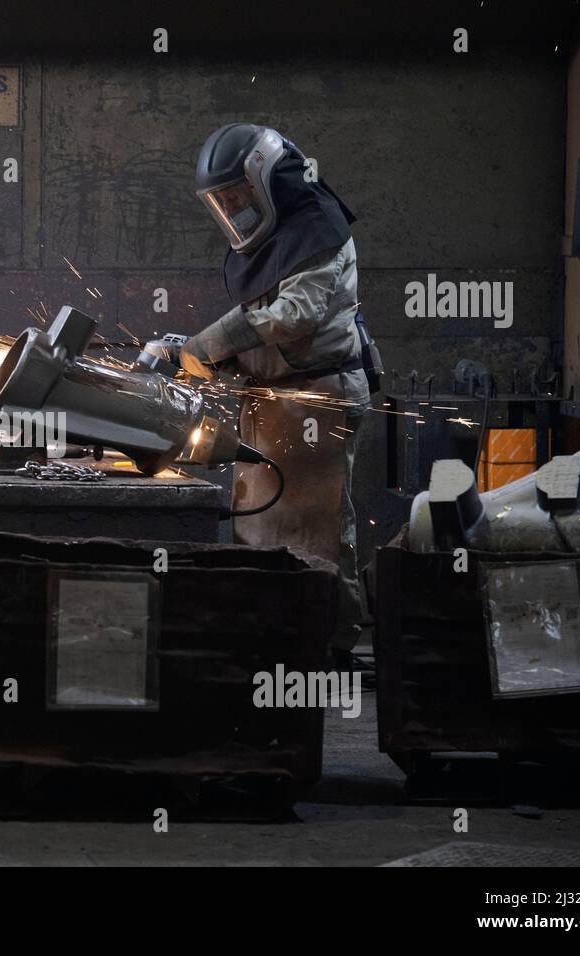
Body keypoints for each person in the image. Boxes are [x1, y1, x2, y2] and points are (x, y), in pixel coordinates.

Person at [179, 123, 375, 668]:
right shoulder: (265, 240)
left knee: (316, 524)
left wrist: (211, 342)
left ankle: (326, 643)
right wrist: (214, 357)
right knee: (260, 518)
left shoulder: (318, 230)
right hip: (272, 396)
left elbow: (294, 316)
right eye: (225, 201)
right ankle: (274, 632)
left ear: (265, 179)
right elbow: (256, 319)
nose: (234, 208)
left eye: (239, 195)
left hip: (317, 394)